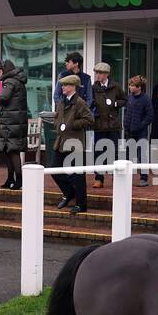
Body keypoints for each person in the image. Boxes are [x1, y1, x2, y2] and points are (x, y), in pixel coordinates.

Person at [51, 74, 94, 214]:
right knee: (54, 170)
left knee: (77, 175)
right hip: (61, 142)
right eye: (62, 85)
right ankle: (69, 193)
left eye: (65, 85)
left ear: (72, 87)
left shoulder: (80, 102)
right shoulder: (62, 102)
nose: (62, 87)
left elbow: (89, 119)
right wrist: (59, 125)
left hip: (75, 142)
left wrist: (73, 124)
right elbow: (57, 118)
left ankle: (82, 205)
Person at [0, 58, 28, 190]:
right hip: (10, 121)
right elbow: (2, 98)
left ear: (5, 69)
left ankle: (19, 180)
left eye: (0, 70)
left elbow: (3, 98)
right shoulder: (13, 81)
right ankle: (10, 179)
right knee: (7, 150)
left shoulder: (10, 81)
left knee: (12, 151)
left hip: (11, 122)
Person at [89, 62, 124, 188]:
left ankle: (117, 177)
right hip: (99, 125)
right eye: (96, 73)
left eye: (100, 73)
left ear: (106, 74)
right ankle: (99, 178)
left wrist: (115, 104)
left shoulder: (116, 87)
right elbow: (90, 103)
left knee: (115, 152)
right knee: (99, 152)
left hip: (113, 125)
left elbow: (124, 100)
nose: (97, 75)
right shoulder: (93, 88)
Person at [123, 75, 153, 187]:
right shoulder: (129, 98)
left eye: (132, 86)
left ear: (139, 87)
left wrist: (140, 125)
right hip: (129, 131)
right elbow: (126, 112)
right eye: (130, 85)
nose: (130, 87)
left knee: (142, 155)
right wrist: (125, 124)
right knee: (128, 155)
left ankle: (144, 178)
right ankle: (126, 177)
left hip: (141, 132)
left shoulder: (146, 99)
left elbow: (150, 116)